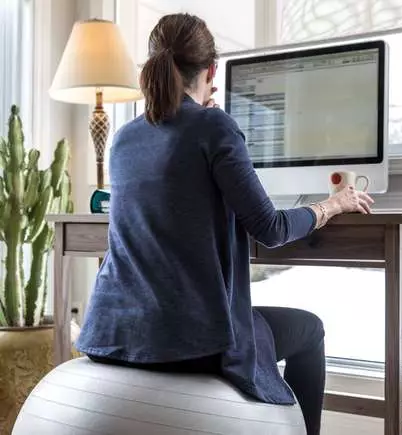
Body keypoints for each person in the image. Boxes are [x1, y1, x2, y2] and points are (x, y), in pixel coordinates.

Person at [75, 13, 374, 435]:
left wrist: (207, 122)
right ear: (211, 70)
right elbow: (269, 228)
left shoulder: (125, 137)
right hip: (188, 340)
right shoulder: (213, 125)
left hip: (114, 333)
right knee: (310, 329)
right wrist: (333, 206)